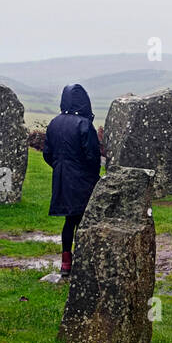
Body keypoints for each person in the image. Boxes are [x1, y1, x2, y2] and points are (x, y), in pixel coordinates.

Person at [43, 83, 102, 280]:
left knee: (70, 220)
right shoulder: (84, 124)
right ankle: (86, 261)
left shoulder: (54, 123)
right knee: (85, 219)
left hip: (61, 177)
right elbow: (92, 155)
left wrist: (60, 167)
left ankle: (66, 262)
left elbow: (47, 153)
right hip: (83, 179)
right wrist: (93, 175)